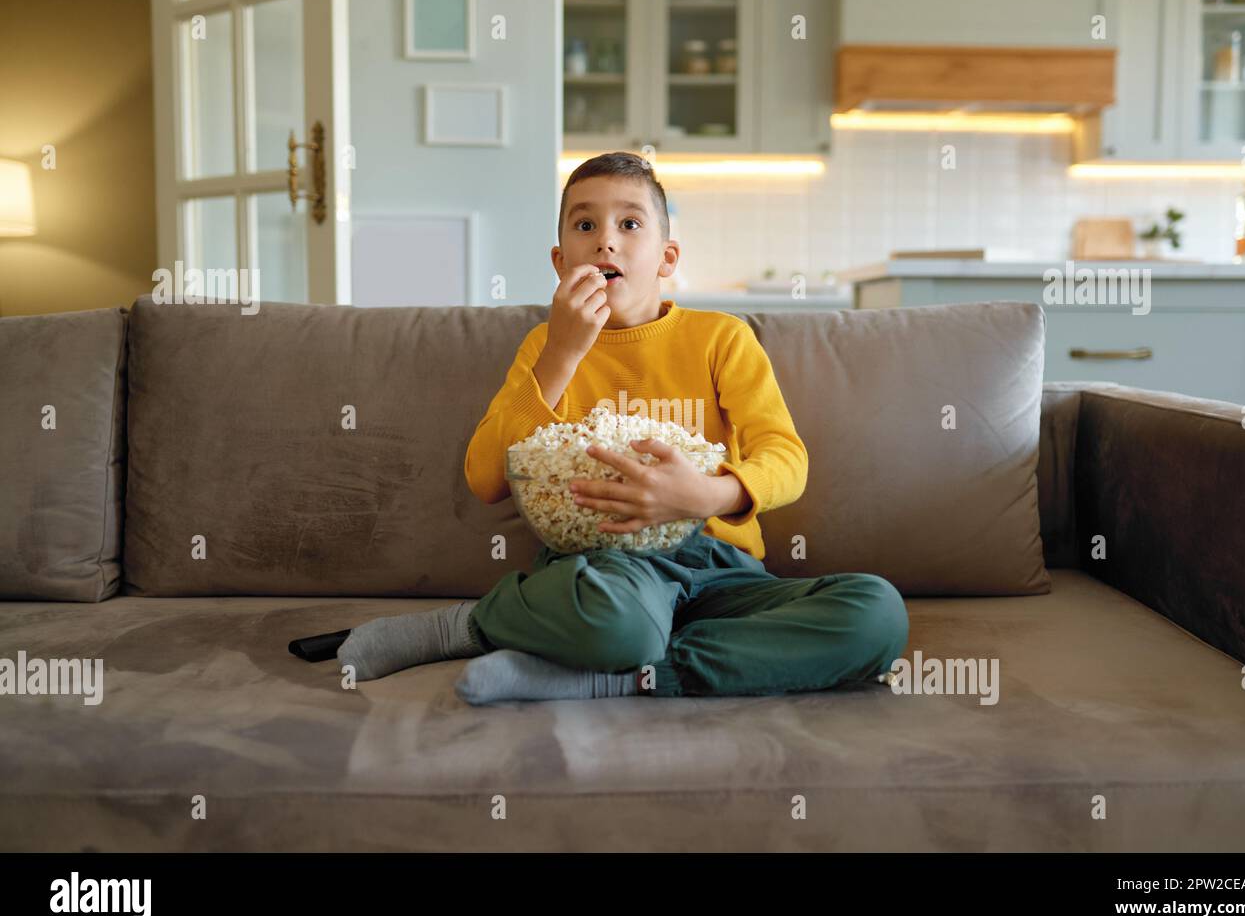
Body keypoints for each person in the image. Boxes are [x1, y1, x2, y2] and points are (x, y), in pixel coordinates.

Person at [330, 151, 909, 704]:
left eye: (630, 223)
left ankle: (624, 677)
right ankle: (472, 624)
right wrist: (561, 355)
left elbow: (785, 455)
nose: (606, 239)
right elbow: (485, 478)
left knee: (876, 614)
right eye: (585, 224)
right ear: (560, 261)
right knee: (621, 625)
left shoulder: (721, 339)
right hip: (608, 572)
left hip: (721, 571)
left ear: (667, 257)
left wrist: (707, 494)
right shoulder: (544, 346)